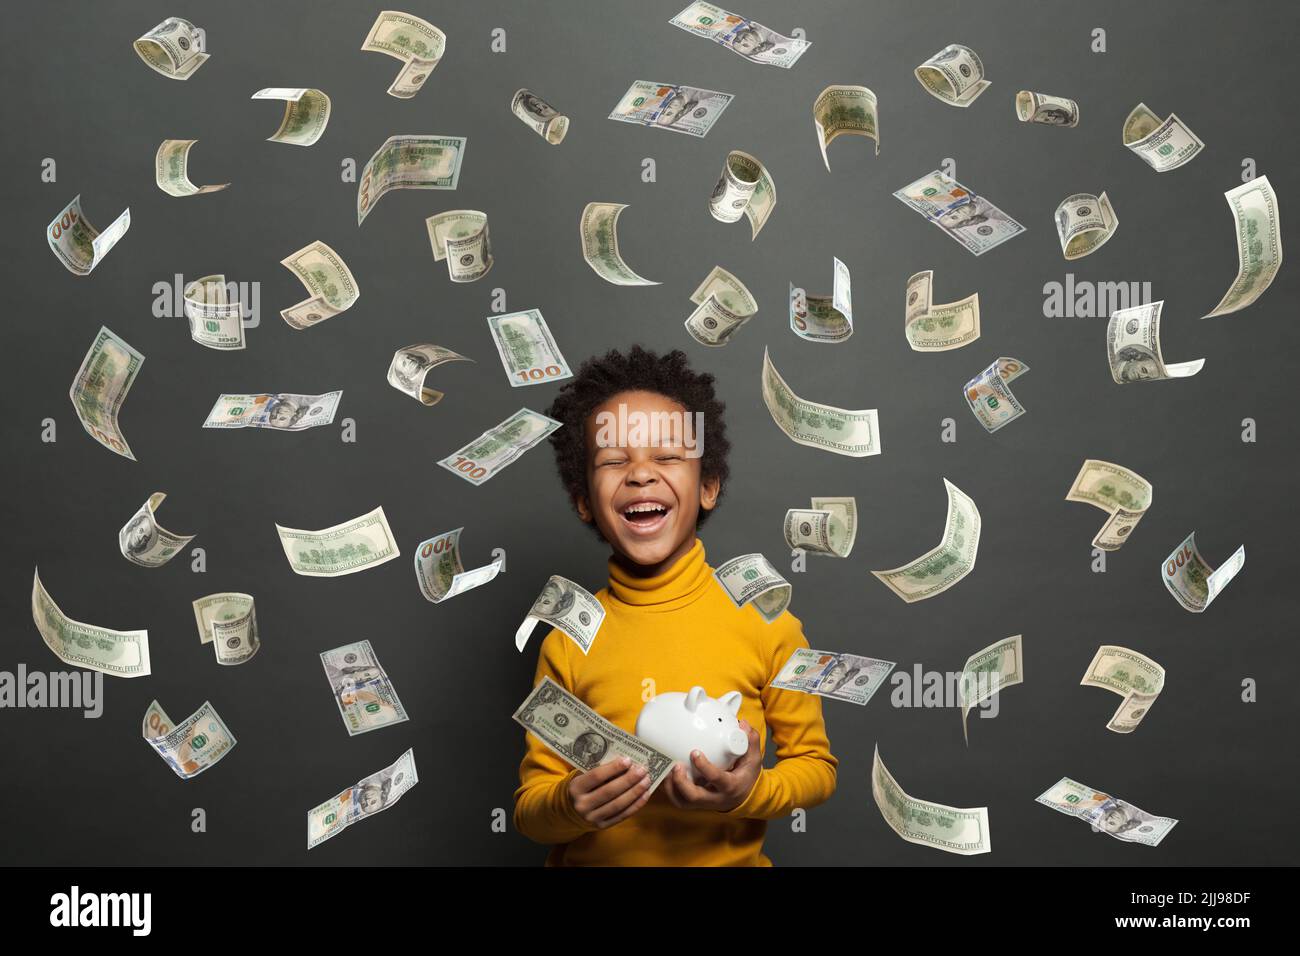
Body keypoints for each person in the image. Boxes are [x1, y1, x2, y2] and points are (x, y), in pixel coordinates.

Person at [513, 346, 837, 865]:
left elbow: (816, 769)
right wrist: (569, 804)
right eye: (615, 460)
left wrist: (747, 795)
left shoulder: (766, 623)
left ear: (708, 485)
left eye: (666, 456)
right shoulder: (569, 638)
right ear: (584, 501)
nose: (640, 474)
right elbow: (531, 811)